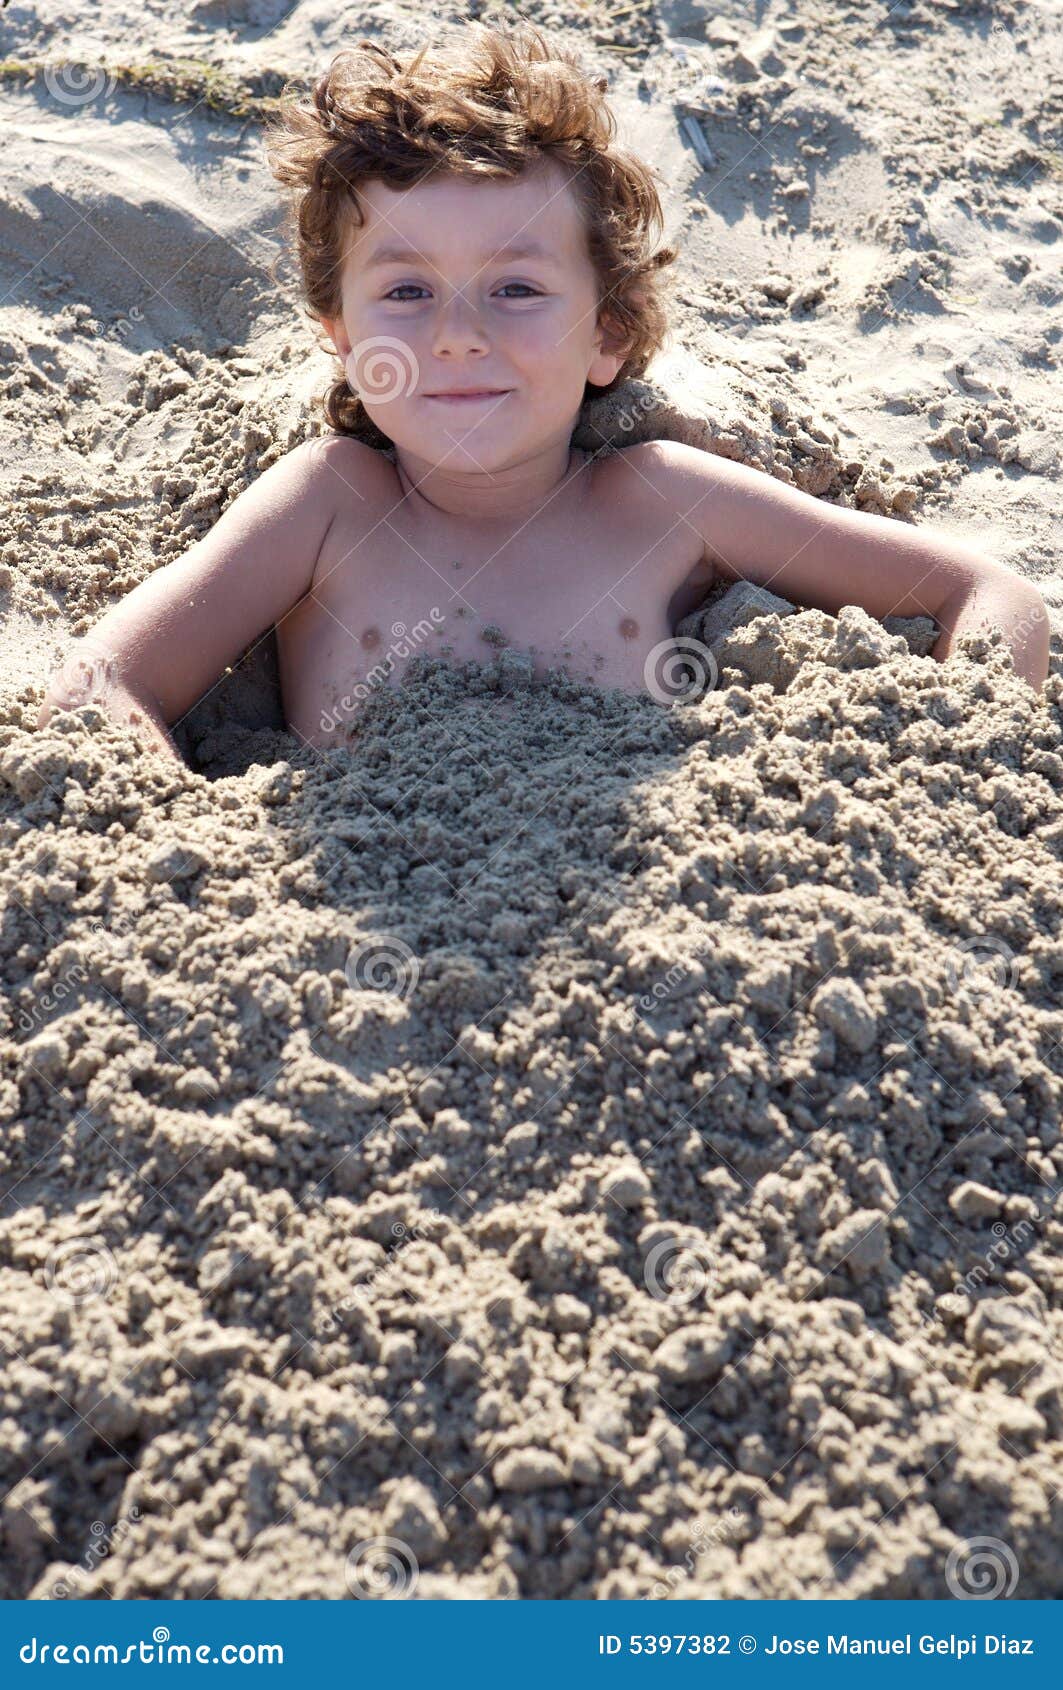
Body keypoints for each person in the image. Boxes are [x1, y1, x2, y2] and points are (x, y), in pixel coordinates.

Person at [36, 19, 1050, 764]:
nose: (459, 335)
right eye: (406, 289)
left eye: (516, 288)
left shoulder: (660, 501)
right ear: (341, 339)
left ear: (607, 332)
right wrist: (187, 863)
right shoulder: (329, 504)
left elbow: (983, 592)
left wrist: (972, 751)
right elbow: (101, 683)